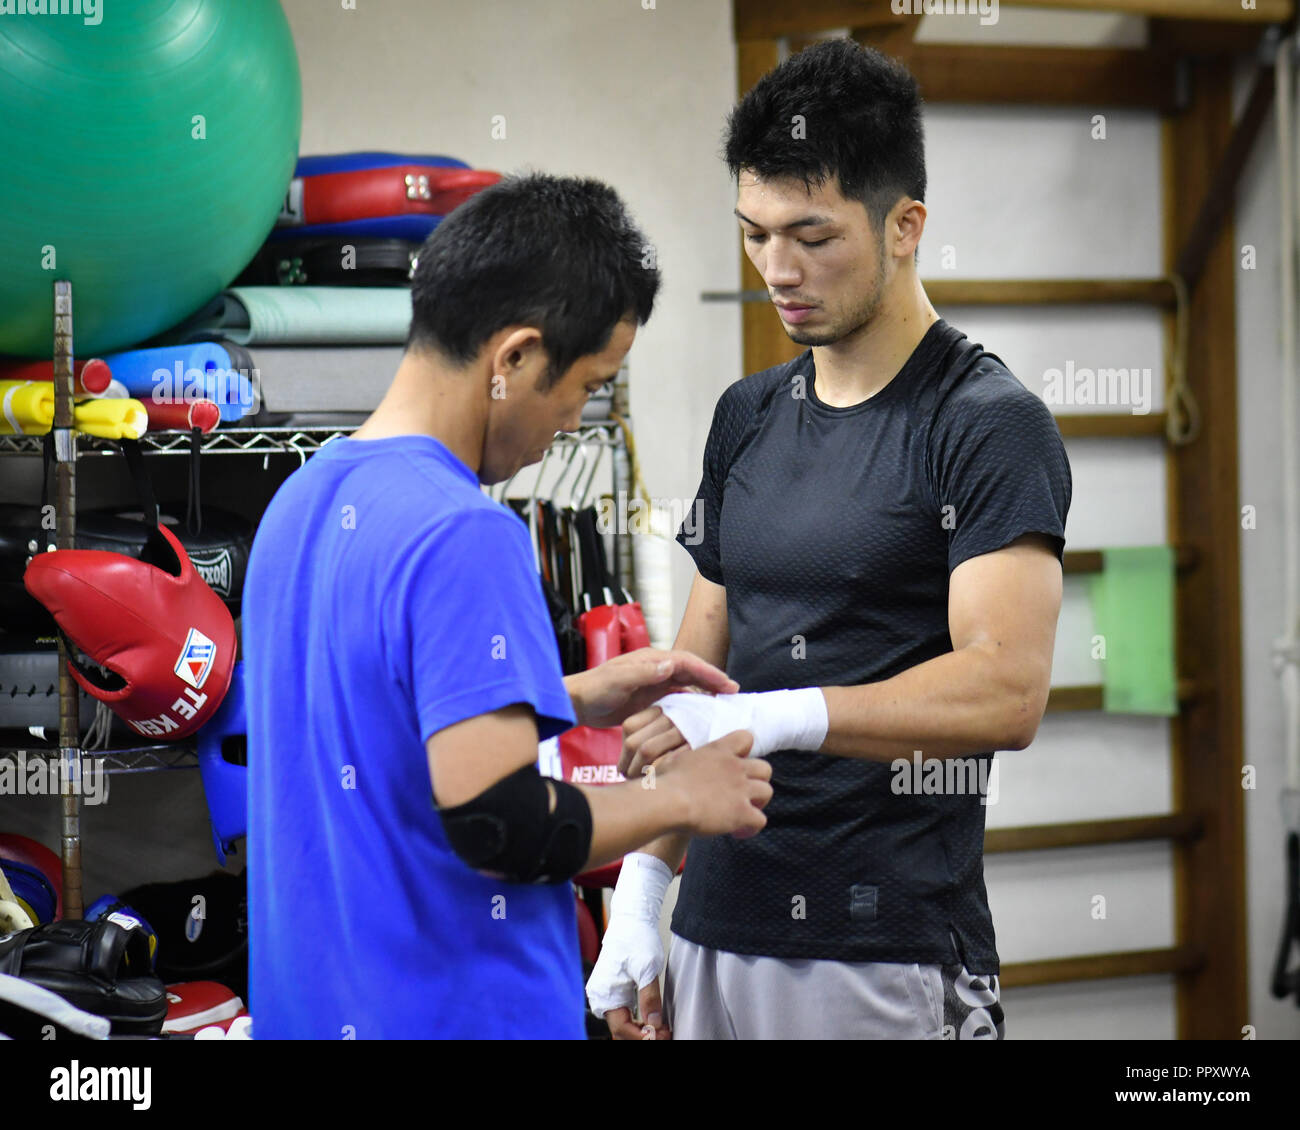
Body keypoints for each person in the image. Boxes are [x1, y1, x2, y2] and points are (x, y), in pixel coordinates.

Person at [586, 39, 1072, 1040]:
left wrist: (779, 716)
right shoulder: (747, 415)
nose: (776, 267)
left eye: (809, 235)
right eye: (754, 233)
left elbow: (1005, 687)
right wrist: (640, 888)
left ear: (905, 227)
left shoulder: (985, 420)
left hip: (879, 945)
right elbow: (697, 684)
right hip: (714, 927)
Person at [242, 172, 773, 1040]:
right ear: (516, 358)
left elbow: (380, 733)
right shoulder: (464, 533)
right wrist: (684, 796)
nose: (573, 419)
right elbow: (503, 822)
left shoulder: (302, 502)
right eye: (586, 385)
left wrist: (562, 695)